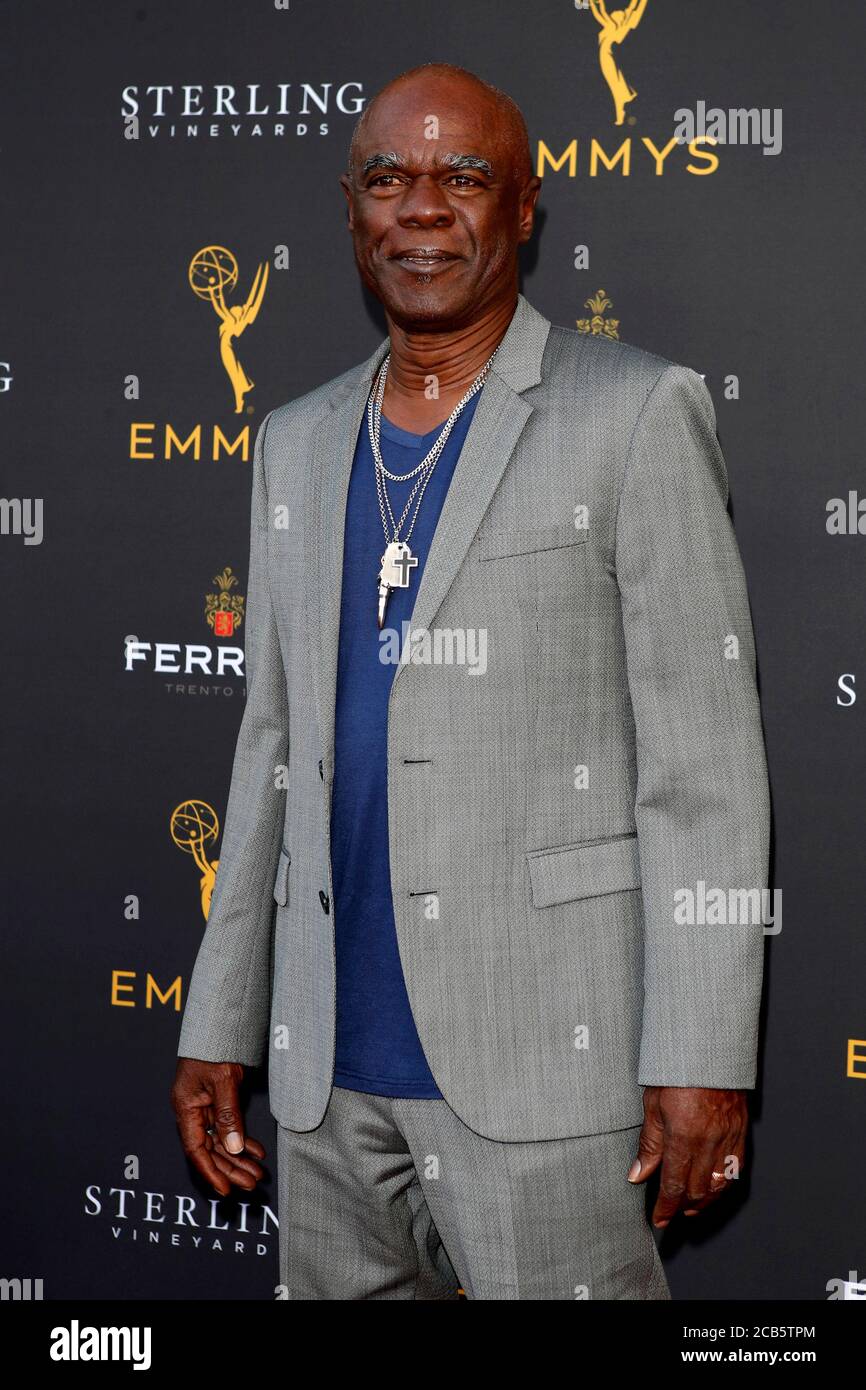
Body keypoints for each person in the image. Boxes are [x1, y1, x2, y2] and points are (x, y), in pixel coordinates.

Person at [171, 61, 770, 1300]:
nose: (424, 207)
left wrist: (702, 1055)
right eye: (389, 177)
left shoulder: (634, 413)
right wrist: (221, 1021)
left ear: (524, 208)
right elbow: (270, 745)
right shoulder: (292, 440)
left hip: (550, 1072)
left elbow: (703, 769)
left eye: (464, 176)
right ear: (350, 212)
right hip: (327, 1076)